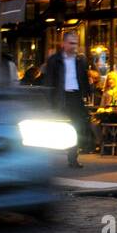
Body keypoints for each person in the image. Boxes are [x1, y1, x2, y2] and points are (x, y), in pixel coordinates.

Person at [40, 31, 91, 168]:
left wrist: (86, 93)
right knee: (55, 127)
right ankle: (47, 156)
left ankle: (73, 158)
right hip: (60, 96)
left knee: (77, 127)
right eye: (71, 43)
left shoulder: (80, 60)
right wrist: (48, 100)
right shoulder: (55, 60)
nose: (74, 46)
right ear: (63, 44)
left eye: (76, 43)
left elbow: (84, 78)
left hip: (75, 96)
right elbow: (49, 81)